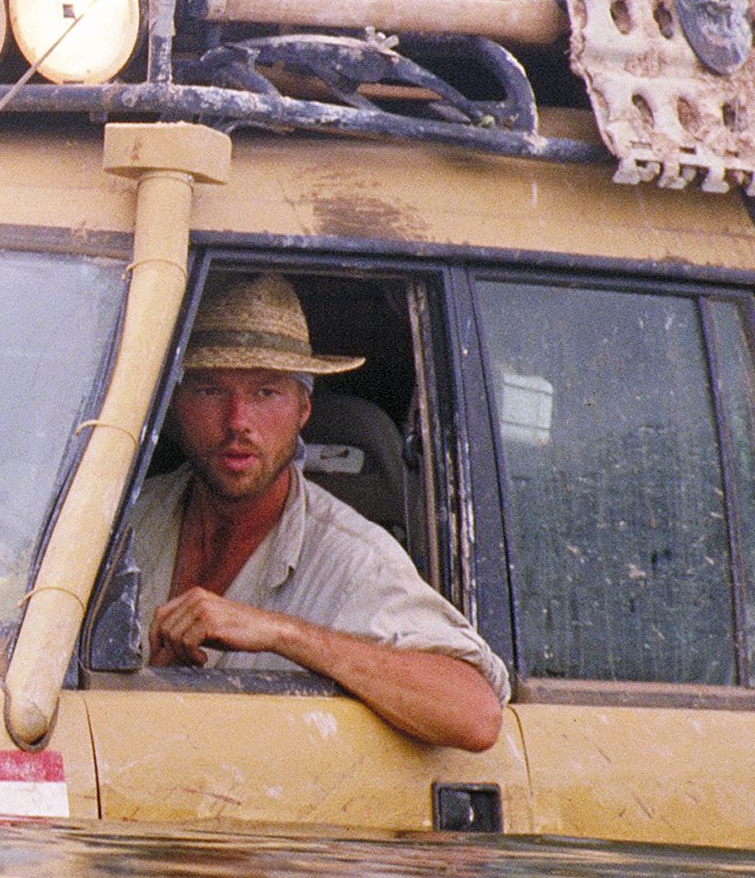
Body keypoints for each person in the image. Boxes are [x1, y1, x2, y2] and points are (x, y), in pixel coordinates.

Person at [125, 274, 510, 751]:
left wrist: (278, 632)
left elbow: (473, 715)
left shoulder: (352, 556)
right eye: (209, 390)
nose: (237, 421)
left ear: (303, 409)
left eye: (266, 392)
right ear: (176, 404)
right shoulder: (124, 522)